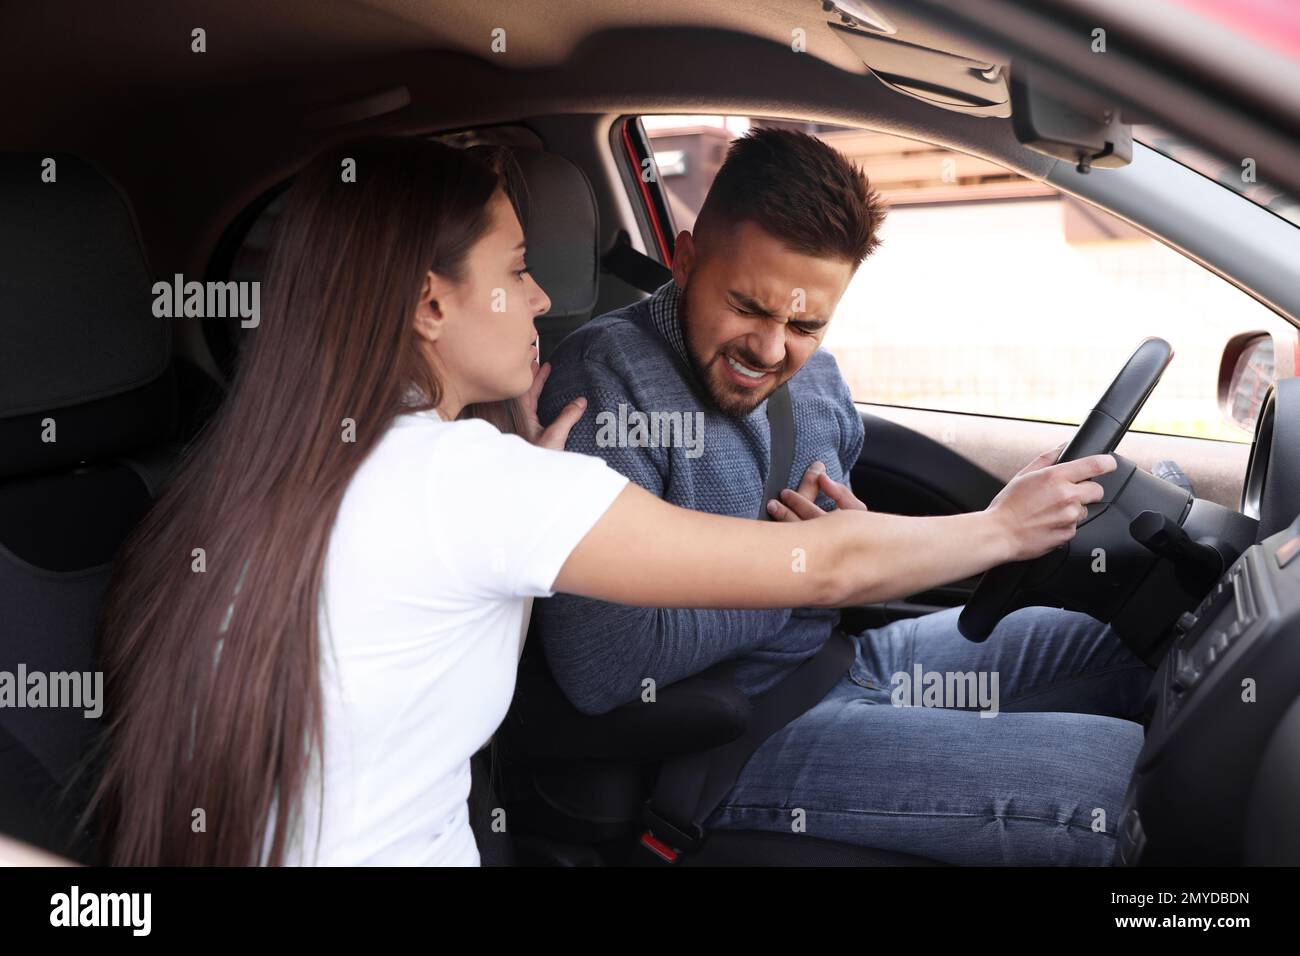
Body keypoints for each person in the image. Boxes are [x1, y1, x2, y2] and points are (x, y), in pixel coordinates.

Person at [87, 136, 1112, 866]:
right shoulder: (476, 479)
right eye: (520, 269)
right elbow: (822, 568)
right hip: (705, 742)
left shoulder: (271, 471)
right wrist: (998, 526)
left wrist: (532, 489)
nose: (544, 296)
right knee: (1114, 787)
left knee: (1094, 651)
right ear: (432, 303)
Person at [535, 127, 1152, 866]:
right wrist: (816, 574)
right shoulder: (605, 387)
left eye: (804, 323)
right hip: (727, 741)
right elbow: (603, 667)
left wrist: (855, 546)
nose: (770, 350)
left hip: (839, 660)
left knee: (1133, 634)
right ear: (686, 257)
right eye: (747, 308)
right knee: (1120, 787)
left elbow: (836, 559)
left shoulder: (818, 382)